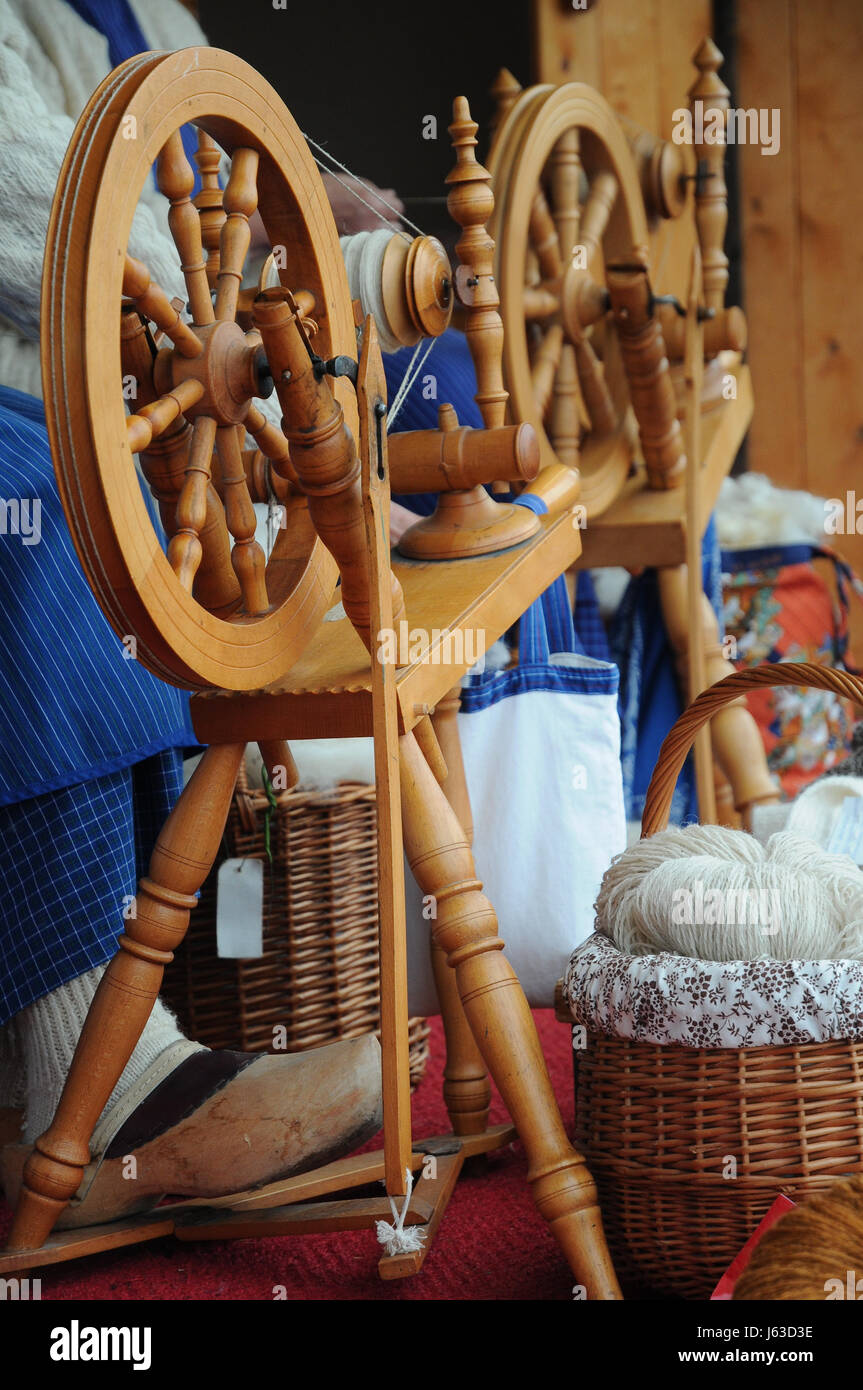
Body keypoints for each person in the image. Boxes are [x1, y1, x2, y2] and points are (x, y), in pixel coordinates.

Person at [0, 0, 381, 1230]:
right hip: (63, 375)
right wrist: (278, 282)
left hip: (152, 379)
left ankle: (131, 1034)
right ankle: (94, 1077)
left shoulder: (148, 5)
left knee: (417, 441)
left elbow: (220, 166)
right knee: (45, 501)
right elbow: (37, 220)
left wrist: (319, 230)